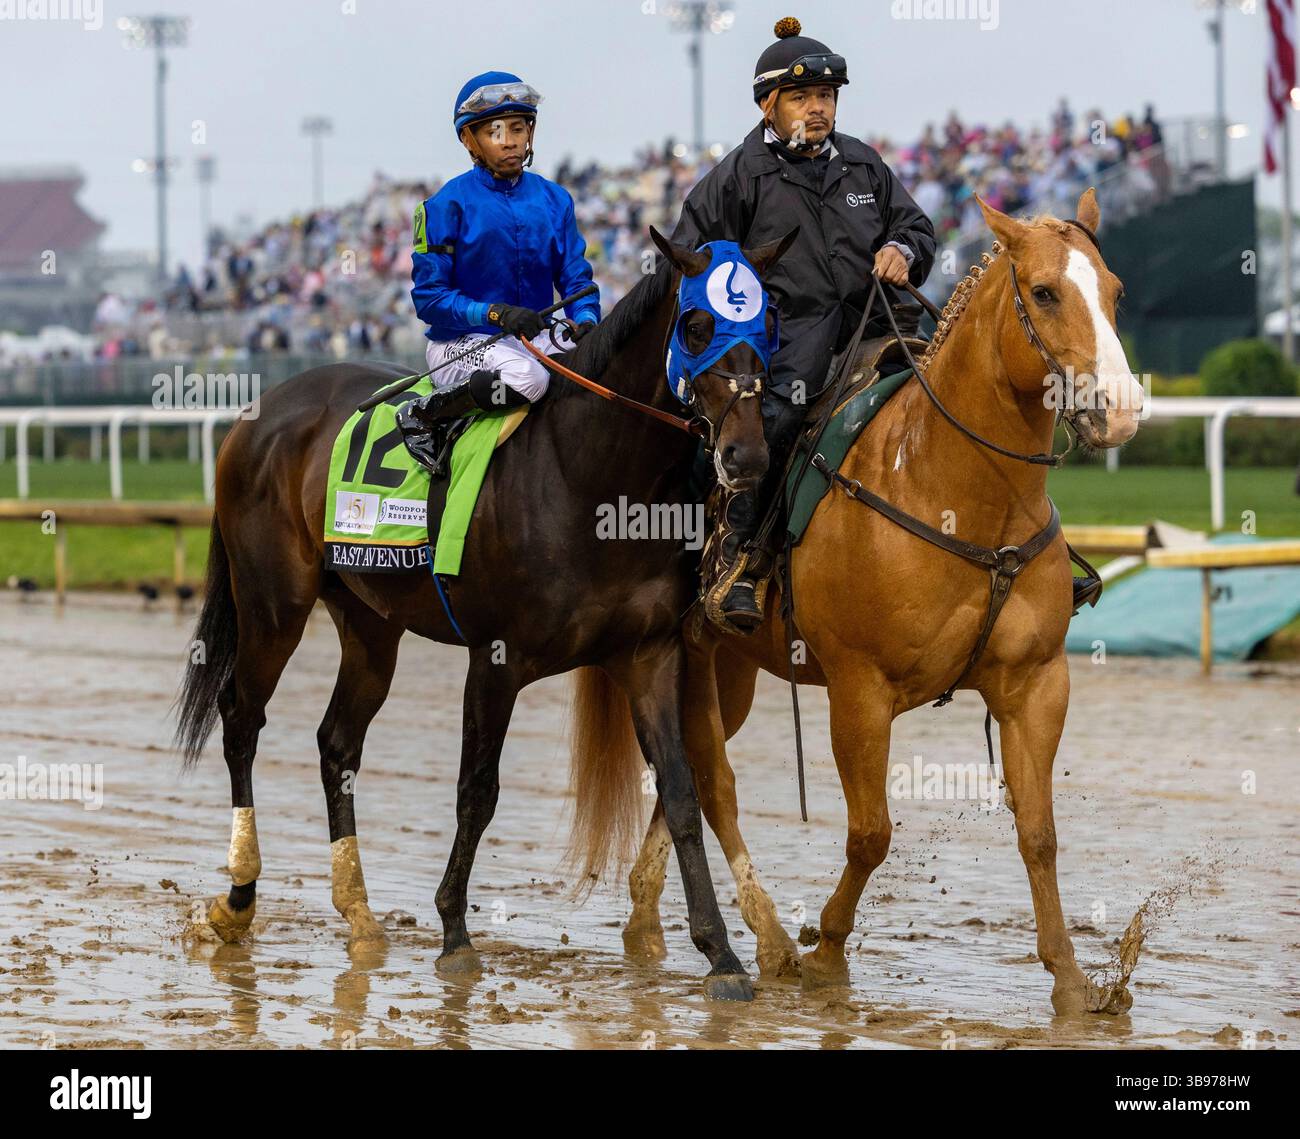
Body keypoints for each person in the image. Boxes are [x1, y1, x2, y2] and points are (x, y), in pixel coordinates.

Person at [671, 16, 937, 629]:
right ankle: (740, 560)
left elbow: (918, 229)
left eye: (825, 97)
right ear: (769, 105)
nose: (817, 109)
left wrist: (905, 250)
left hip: (880, 325)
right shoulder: (735, 177)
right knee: (778, 419)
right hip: (787, 339)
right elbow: (693, 266)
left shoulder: (864, 164)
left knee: (961, 391)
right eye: (801, 98)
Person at [397, 70, 601, 469]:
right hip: (461, 343)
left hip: (533, 336)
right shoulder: (442, 206)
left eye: (518, 128)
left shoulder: (556, 200)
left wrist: (588, 321)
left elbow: (577, 278)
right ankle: (425, 414)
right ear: (469, 140)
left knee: (603, 368)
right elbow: (429, 299)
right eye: (494, 131)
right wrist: (494, 313)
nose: (509, 141)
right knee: (530, 379)